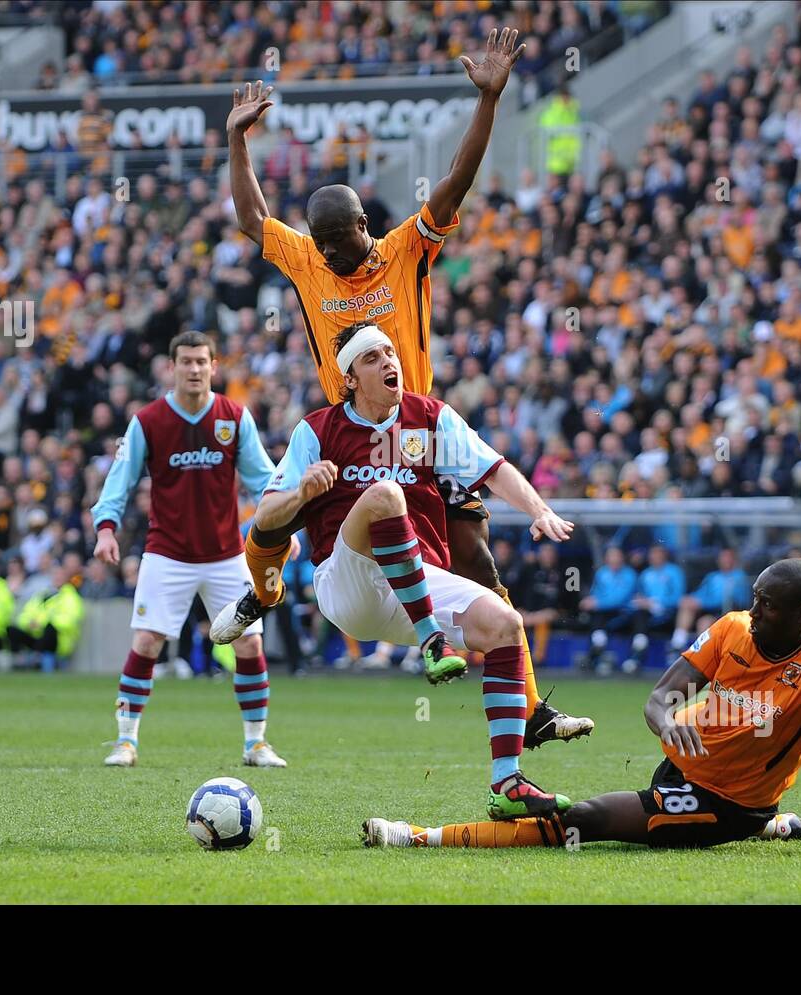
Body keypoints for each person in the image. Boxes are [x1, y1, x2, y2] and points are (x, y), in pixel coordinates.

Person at [220, 26, 593, 749]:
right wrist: (238, 141)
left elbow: (456, 180)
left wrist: (486, 102)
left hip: (419, 435)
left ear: (366, 223)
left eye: (340, 240)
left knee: (480, 565)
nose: (330, 253)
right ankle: (258, 594)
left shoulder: (406, 249)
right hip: (347, 428)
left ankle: (527, 706)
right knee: (282, 516)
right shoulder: (305, 262)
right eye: (320, 244)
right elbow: (249, 218)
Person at [363, 558, 801, 860]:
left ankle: (418, 837)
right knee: (637, 811)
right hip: (679, 767)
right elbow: (661, 695)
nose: (753, 610)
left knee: (586, 820)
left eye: (766, 604)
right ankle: (773, 828)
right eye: (753, 598)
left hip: (724, 801)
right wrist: (669, 719)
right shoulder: (731, 629)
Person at [236, 324, 574, 819]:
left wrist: (538, 509)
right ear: (349, 378)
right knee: (386, 495)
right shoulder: (317, 429)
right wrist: (303, 493)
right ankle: (432, 642)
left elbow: (494, 468)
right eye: (371, 358)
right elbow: (266, 517)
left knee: (506, 624)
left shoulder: (430, 418)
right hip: (346, 581)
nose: (388, 362)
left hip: (414, 579)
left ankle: (506, 782)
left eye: (390, 352)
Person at [90, 332, 288, 769]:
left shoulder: (234, 417)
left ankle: (255, 744)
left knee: (250, 647)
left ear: (214, 367)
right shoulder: (149, 421)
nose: (194, 369)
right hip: (167, 554)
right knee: (146, 641)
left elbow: (264, 481)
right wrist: (106, 529)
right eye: (186, 361)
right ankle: (125, 741)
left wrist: (286, 520)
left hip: (227, 554)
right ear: (172, 367)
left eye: (202, 361)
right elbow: (118, 482)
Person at [6, 563, 86, 671]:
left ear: (66, 578)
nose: (57, 578)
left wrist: (41, 623)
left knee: (50, 628)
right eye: (55, 575)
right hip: (38, 635)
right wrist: (29, 623)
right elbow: (25, 614)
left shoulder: (71, 597)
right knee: (11, 629)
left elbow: (70, 620)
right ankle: (18, 660)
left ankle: (37, 659)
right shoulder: (42, 594)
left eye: (60, 575)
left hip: (59, 639)